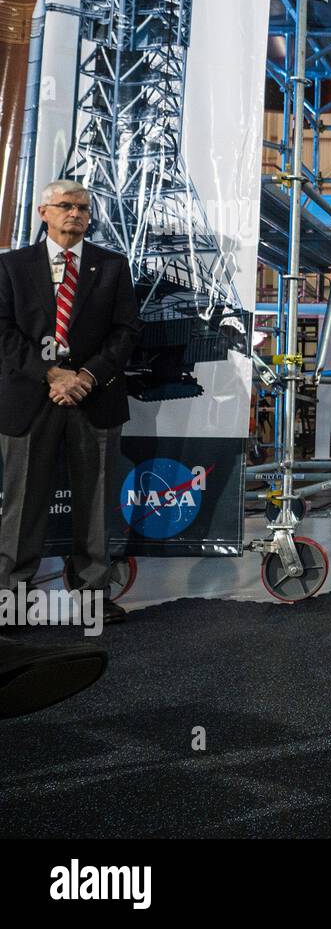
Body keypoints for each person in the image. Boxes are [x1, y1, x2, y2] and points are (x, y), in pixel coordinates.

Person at [0, 180, 142, 623]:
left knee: (96, 501)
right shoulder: (11, 267)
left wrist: (85, 376)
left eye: (82, 207)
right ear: (44, 211)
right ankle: (11, 599)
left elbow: (126, 331)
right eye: (65, 206)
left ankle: (91, 596)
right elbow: (2, 331)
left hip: (93, 397)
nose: (76, 214)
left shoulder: (112, 267)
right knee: (22, 504)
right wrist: (51, 374)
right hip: (29, 400)